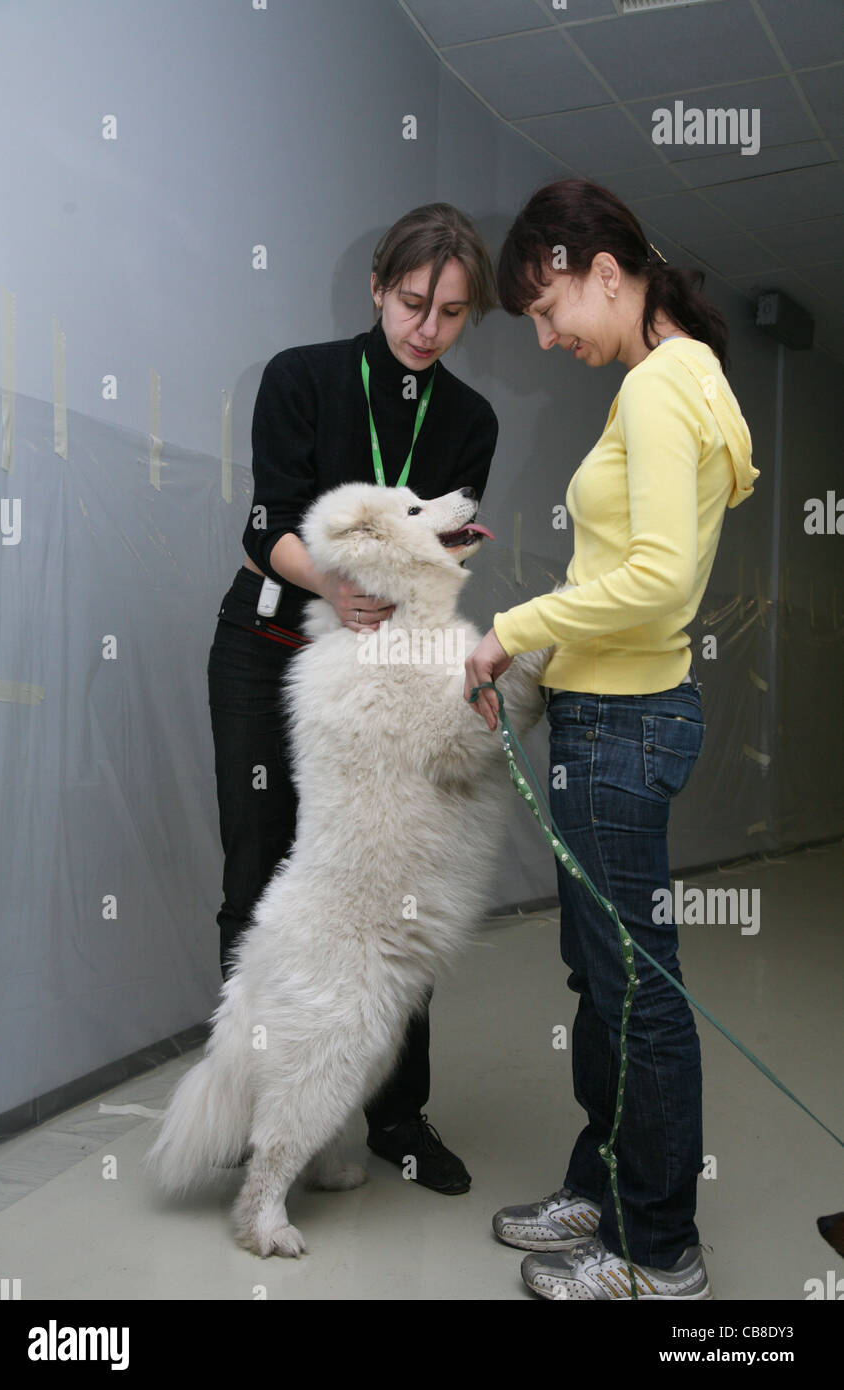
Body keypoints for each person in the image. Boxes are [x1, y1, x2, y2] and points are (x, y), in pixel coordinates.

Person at [463, 178, 758, 1299]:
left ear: (602, 269)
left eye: (548, 310)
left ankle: (656, 1250)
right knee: (603, 976)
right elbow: (626, 576)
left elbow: (654, 581)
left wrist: (505, 634)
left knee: (637, 989)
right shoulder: (678, 380)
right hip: (606, 717)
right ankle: (602, 1176)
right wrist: (540, 670)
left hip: (623, 724)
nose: (546, 337)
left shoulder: (660, 383)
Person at [207, 203, 500, 1195]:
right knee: (259, 873)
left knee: (392, 892)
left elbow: (439, 563)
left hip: (384, 681)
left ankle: (396, 1116)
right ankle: (262, 1113)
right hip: (269, 649)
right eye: (414, 301)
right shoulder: (301, 378)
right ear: (378, 286)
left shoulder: (469, 422)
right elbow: (267, 522)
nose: (427, 326)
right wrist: (329, 585)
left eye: (451, 313)